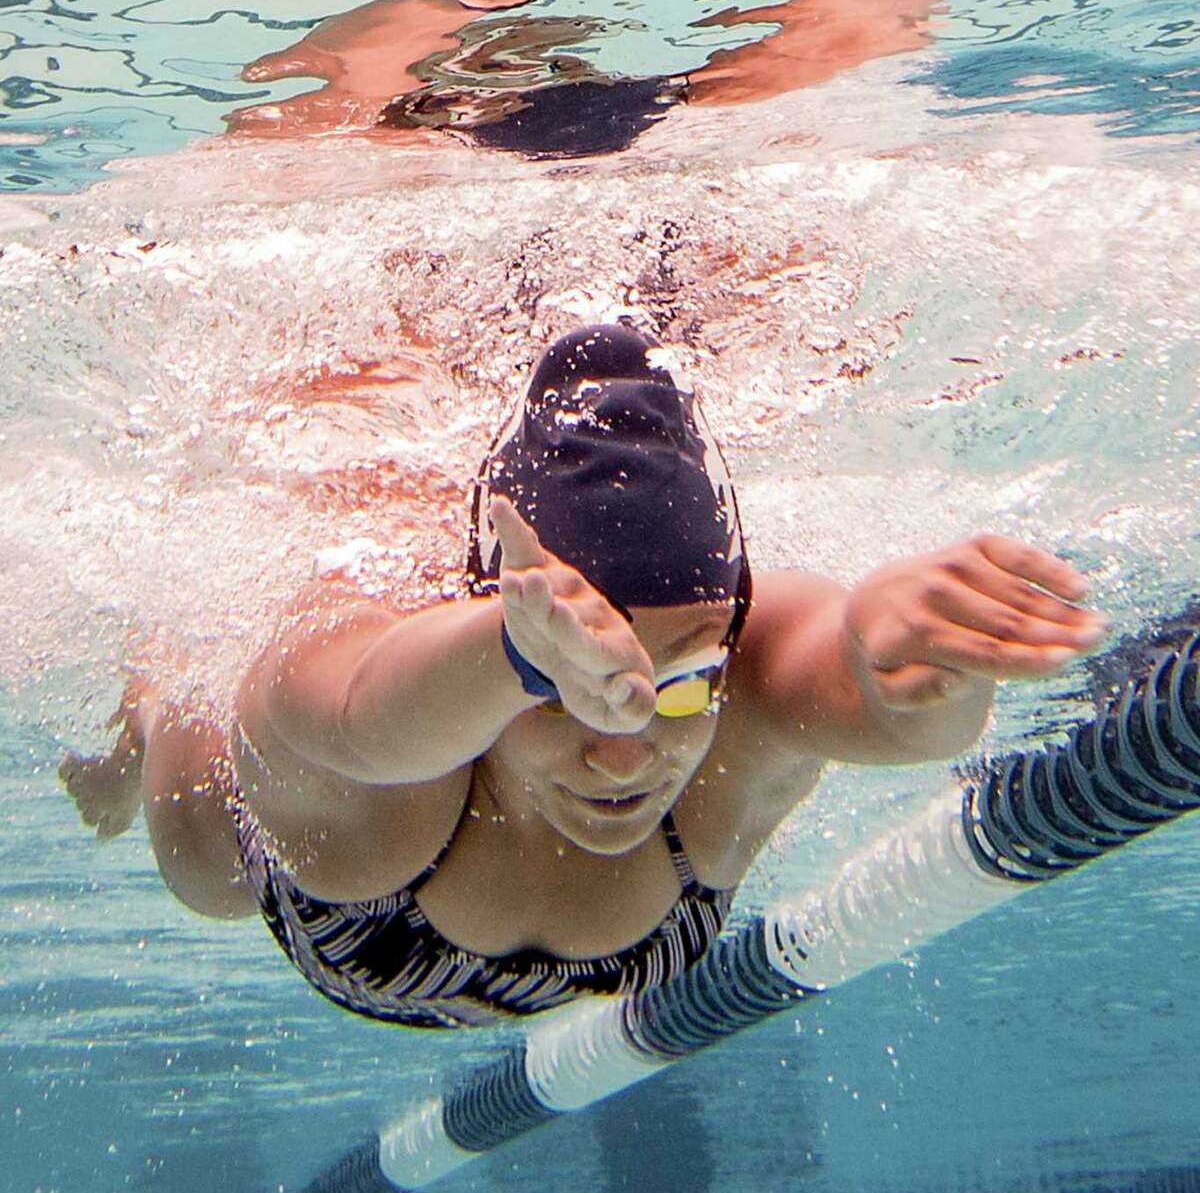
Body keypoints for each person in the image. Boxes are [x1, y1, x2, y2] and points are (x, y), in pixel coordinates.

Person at [61, 324, 1104, 1029]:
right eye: (570, 691)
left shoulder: (740, 657)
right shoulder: (385, 661)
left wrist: (917, 662)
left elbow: (898, 717)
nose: (624, 753)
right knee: (200, 820)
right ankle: (136, 711)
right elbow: (341, 712)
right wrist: (514, 656)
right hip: (336, 901)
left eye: (679, 683)